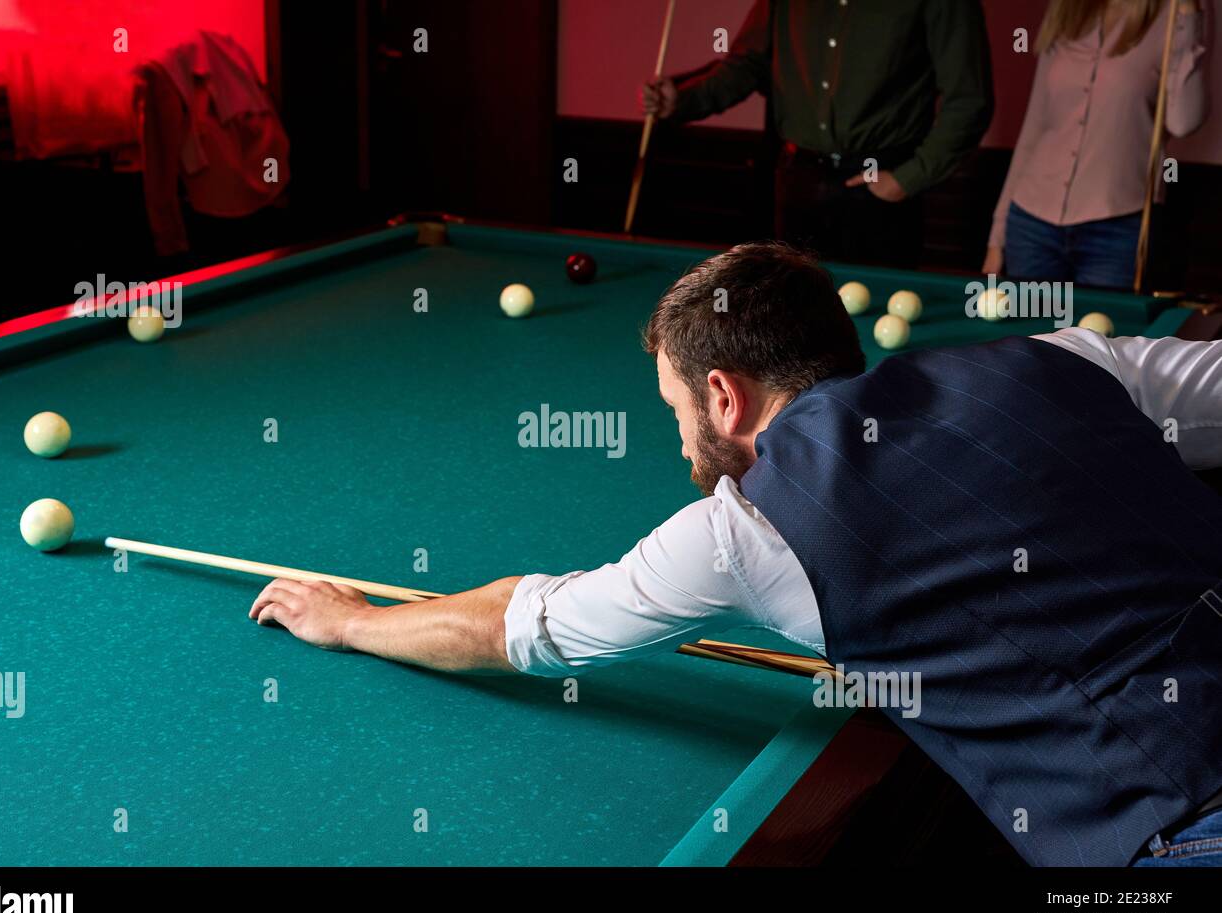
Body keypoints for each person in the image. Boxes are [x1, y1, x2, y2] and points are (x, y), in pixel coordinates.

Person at [250, 241, 1222, 867]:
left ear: (723, 395)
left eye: (676, 410)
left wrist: (354, 620)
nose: (680, 444)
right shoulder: (1070, 357)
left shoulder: (742, 534)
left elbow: (524, 625)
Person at [639, 0, 994, 268]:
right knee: (792, 323)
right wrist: (683, 100)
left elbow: (970, 99)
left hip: (879, 188)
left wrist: (908, 177)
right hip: (798, 179)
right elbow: (747, 65)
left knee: (875, 326)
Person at [984, 0, 1210, 288]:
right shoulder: (1067, 12)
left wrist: (1189, 16)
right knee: (1031, 333)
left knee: (1102, 334)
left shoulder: (1176, 17)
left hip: (1117, 230)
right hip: (1030, 226)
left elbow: (1184, 122)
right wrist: (998, 234)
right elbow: (1034, 127)